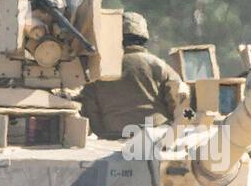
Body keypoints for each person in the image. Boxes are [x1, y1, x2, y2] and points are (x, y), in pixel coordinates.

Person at [77, 11, 188, 139]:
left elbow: (90, 111)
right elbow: (180, 105)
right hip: (157, 138)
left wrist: (104, 134)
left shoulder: (100, 71)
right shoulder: (161, 67)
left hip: (114, 138)